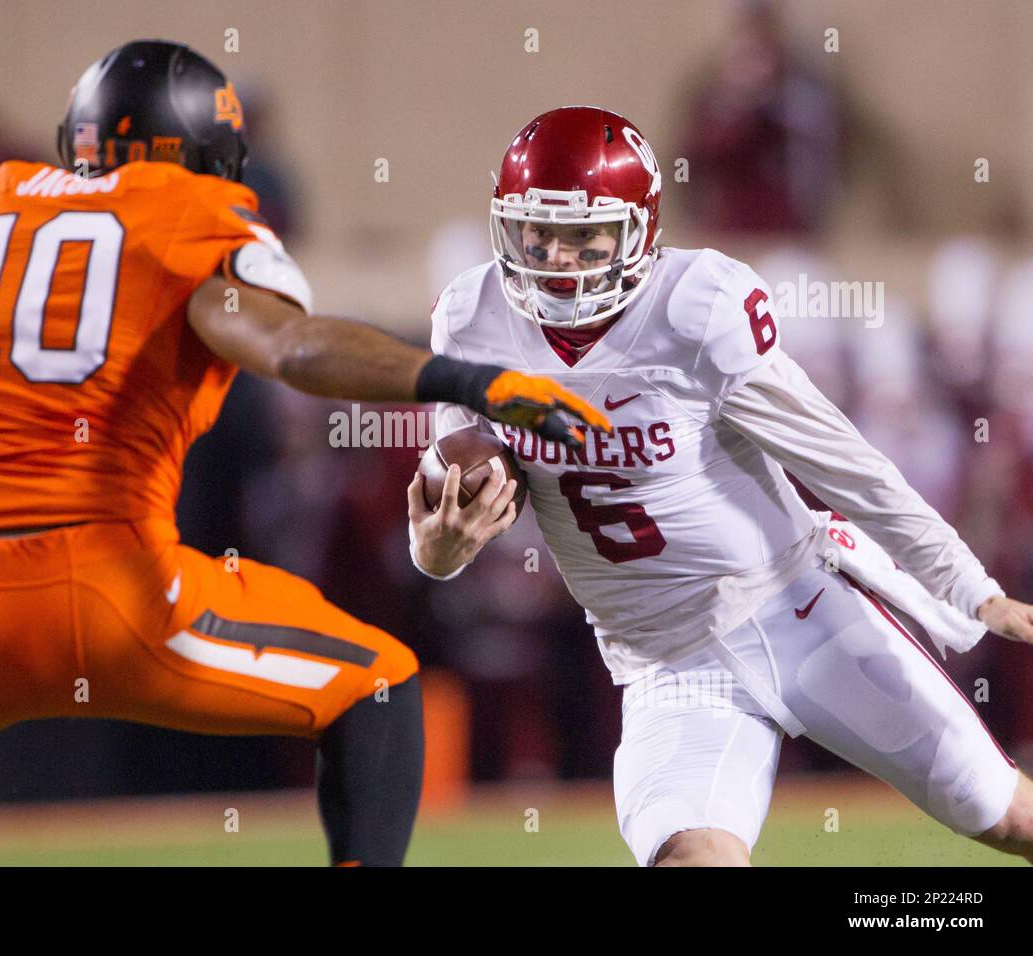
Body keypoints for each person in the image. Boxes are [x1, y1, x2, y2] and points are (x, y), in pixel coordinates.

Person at [0, 40, 609, 867]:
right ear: (184, 154)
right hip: (118, 594)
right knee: (381, 682)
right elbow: (291, 350)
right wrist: (471, 381)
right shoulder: (183, 215)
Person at [407, 105, 1033, 866]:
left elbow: (845, 464)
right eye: (539, 233)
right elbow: (444, 527)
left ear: (639, 230)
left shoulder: (697, 308)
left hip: (801, 610)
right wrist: (437, 549)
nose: (557, 261)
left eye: (583, 236)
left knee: (1006, 816)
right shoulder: (472, 320)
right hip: (667, 664)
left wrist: (972, 589)